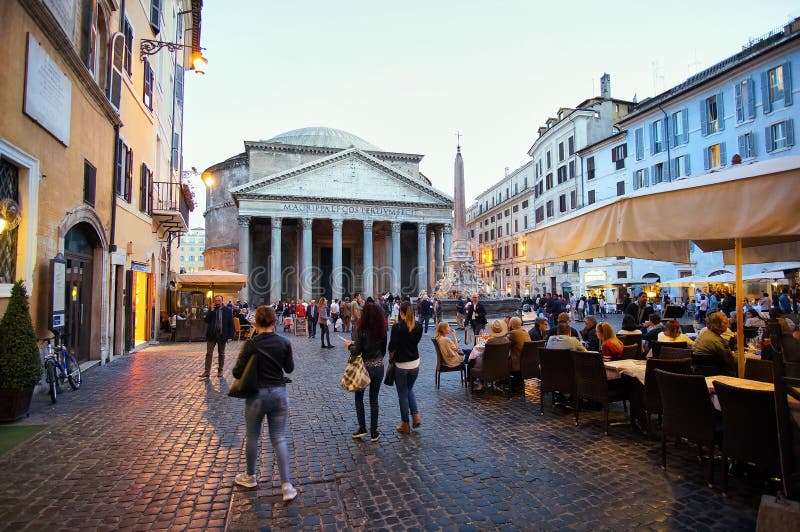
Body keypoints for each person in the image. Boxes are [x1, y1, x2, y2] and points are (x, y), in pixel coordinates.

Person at [231, 306, 297, 501]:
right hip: (279, 394)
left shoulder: (250, 344)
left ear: (256, 322)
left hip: (257, 395)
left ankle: (250, 476)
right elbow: (289, 368)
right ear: (274, 322)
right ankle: (286, 485)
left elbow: (236, 373)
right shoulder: (284, 342)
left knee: (252, 436)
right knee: (279, 438)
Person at [345, 301, 388, 442]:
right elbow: (383, 351)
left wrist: (348, 345)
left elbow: (356, 351)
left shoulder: (361, 330)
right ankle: (374, 432)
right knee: (374, 400)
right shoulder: (382, 330)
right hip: (379, 367)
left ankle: (362, 428)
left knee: (359, 398)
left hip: (364, 368)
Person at [388, 301, 423, 434]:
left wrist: (392, 355)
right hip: (415, 363)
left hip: (401, 364)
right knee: (409, 390)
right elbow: (415, 342)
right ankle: (416, 416)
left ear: (400, 312)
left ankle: (405, 424)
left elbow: (391, 346)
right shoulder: (418, 326)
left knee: (403, 394)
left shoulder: (397, 327)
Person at [469, 320, 510, 392]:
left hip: (489, 368)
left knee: (477, 359)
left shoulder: (490, 342)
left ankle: (480, 383)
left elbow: (485, 355)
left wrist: (479, 356)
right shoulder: (506, 340)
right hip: (502, 368)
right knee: (481, 359)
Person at [201, 295, 234, 379]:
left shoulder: (227, 310)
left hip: (222, 335)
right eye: (216, 300)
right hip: (212, 335)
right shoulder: (212, 310)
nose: (217, 302)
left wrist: (230, 336)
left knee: (221, 354)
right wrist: (211, 311)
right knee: (209, 353)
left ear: (222, 301)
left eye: (219, 300)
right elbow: (207, 321)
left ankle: (220, 371)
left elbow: (231, 325)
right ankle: (207, 372)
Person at [693, 311, 737, 376]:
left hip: (700, 372)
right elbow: (732, 361)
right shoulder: (716, 340)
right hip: (717, 374)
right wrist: (737, 344)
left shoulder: (705, 333)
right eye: (726, 323)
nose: (728, 325)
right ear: (721, 325)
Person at [507, 317, 529, 385]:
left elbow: (505, 345)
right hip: (525, 361)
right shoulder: (525, 332)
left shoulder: (513, 333)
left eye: (509, 323)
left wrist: (507, 330)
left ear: (511, 325)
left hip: (517, 361)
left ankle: (499, 379)